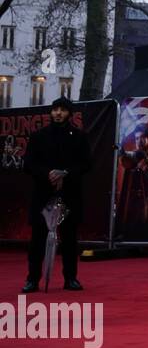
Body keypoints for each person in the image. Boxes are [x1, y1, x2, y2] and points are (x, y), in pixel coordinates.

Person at [22, 97, 92, 293]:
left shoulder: (79, 137)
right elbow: (28, 165)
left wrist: (66, 173)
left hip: (70, 194)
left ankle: (70, 278)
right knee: (37, 239)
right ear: (50, 112)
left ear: (70, 113)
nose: (58, 113)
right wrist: (48, 174)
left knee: (69, 239)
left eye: (62, 110)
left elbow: (87, 164)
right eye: (55, 110)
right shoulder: (38, 136)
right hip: (43, 194)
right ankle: (32, 280)